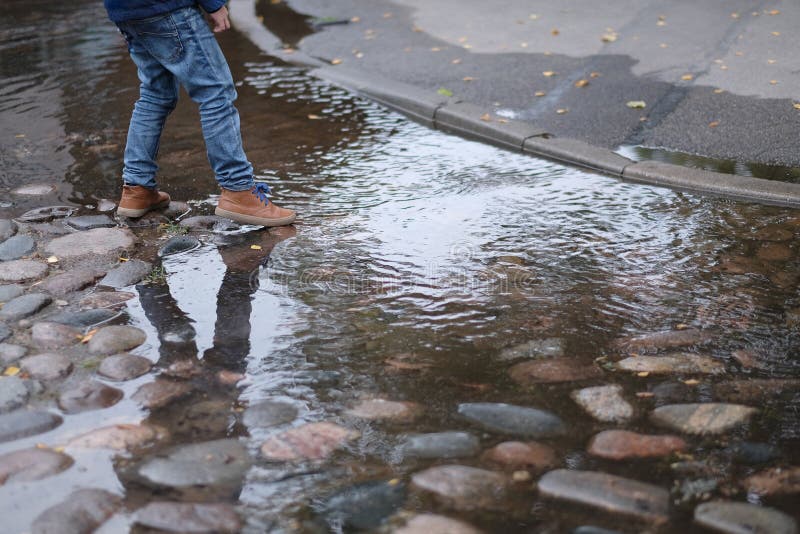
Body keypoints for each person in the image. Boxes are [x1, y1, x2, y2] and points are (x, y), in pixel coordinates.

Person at [104, 0, 296, 226]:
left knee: (155, 95)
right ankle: (238, 190)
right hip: (169, 8)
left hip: (127, 11)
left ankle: (137, 188)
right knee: (216, 93)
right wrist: (213, 4)